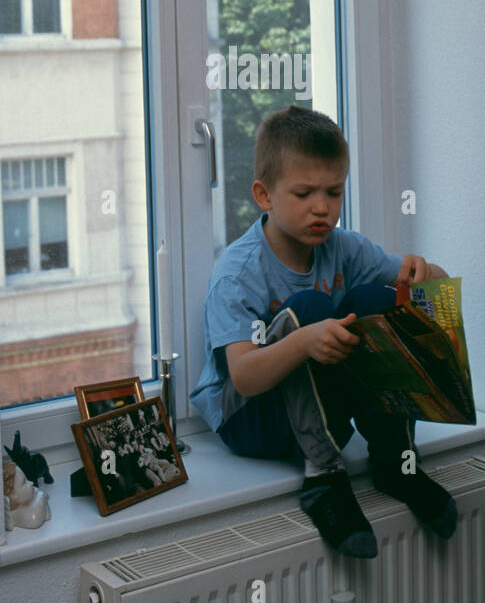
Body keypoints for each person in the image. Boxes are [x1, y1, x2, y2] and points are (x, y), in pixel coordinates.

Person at [189, 104, 459, 558]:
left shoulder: (345, 248)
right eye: (304, 193)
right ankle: (324, 480)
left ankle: (396, 462)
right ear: (264, 195)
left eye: (334, 192)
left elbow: (433, 295)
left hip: (319, 411)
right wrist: (301, 342)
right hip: (252, 420)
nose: (322, 207)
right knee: (310, 309)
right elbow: (244, 378)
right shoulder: (237, 274)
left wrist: (425, 272)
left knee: (376, 300)